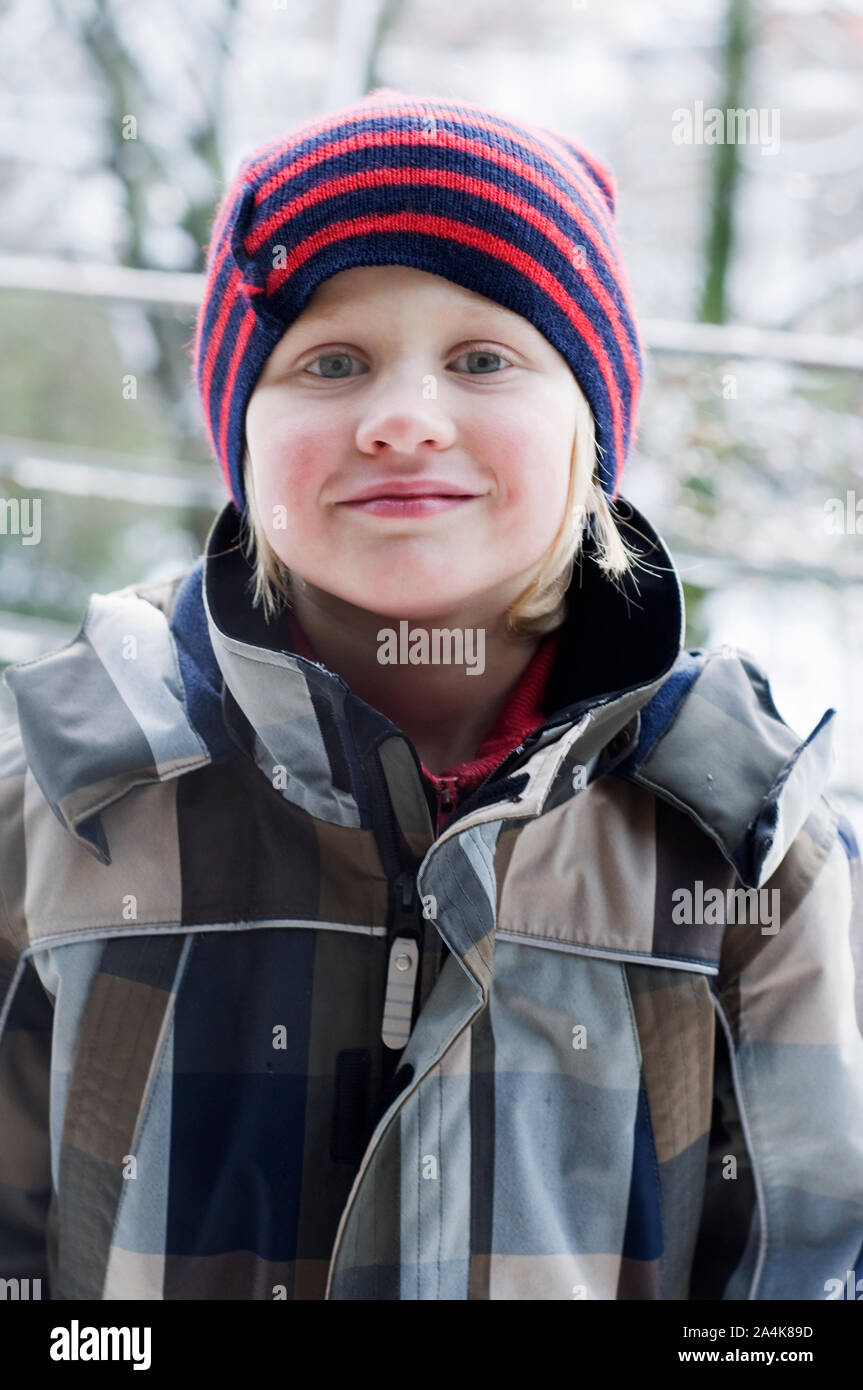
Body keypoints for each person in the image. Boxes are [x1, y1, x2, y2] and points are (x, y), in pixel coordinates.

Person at [0, 88, 861, 1302]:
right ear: (241, 437)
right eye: (332, 360)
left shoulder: (740, 840)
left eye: (483, 358)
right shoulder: (60, 802)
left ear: (587, 435)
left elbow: (805, 1274)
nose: (404, 419)